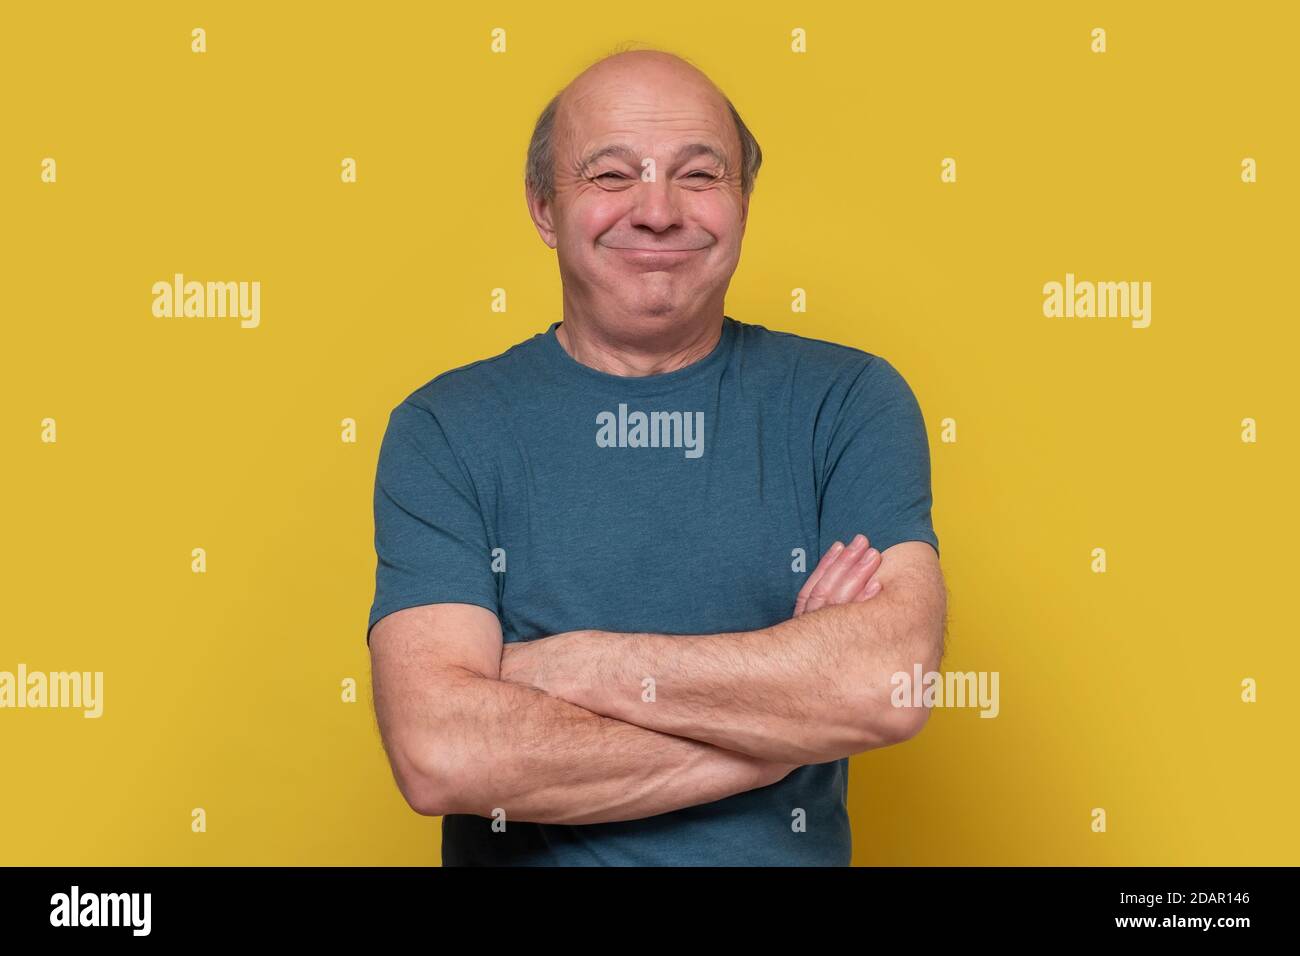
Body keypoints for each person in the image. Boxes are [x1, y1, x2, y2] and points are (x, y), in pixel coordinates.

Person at [366, 47, 947, 865]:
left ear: (743, 200)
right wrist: (784, 730)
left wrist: (566, 665)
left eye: (700, 175)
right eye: (610, 177)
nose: (658, 210)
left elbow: (886, 685)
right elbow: (442, 753)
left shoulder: (847, 402)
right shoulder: (447, 429)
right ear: (543, 207)